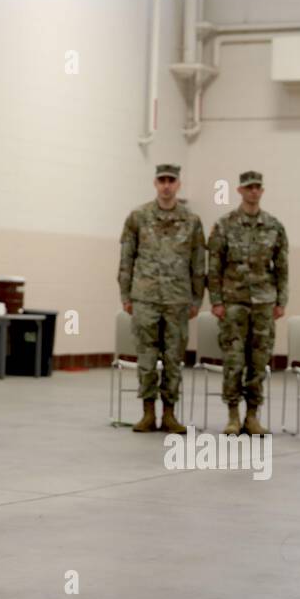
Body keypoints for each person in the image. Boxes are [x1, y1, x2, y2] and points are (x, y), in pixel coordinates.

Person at [117, 163, 205, 433]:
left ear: (178, 185)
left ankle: (169, 413)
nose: (166, 185)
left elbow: (198, 264)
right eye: (162, 180)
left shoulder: (191, 221)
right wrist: (126, 294)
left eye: (171, 180)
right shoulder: (138, 217)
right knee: (146, 357)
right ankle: (147, 413)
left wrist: (196, 300)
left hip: (178, 300)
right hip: (145, 298)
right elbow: (126, 259)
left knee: (173, 360)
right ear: (155, 183)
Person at [207, 171, 287, 436]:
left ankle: (252, 415)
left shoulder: (274, 226)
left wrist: (281, 301)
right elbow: (214, 267)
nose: (253, 192)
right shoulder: (224, 225)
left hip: (264, 302)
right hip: (233, 302)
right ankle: (232, 415)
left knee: (258, 360)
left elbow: (282, 268)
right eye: (249, 188)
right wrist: (216, 301)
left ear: (262, 191)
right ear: (240, 191)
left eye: (258, 188)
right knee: (233, 360)